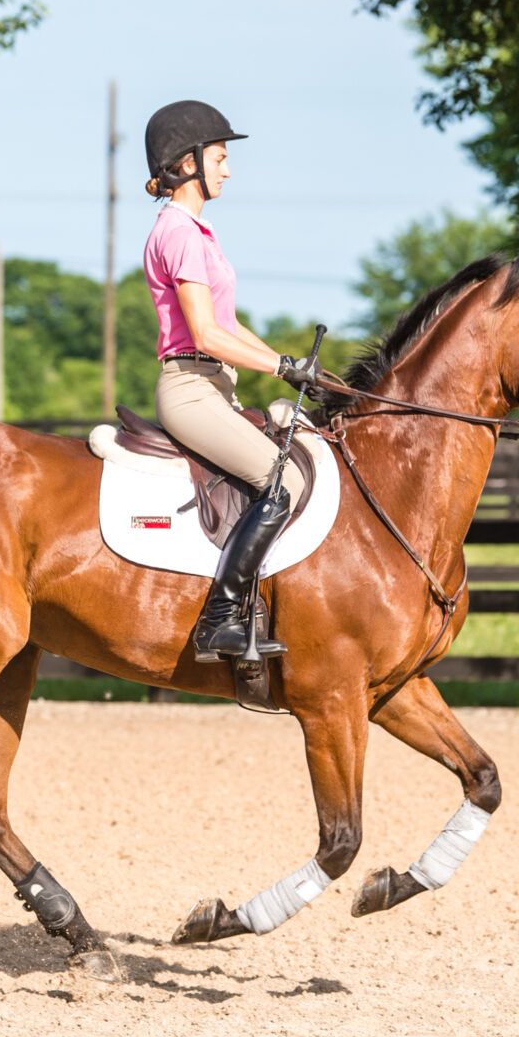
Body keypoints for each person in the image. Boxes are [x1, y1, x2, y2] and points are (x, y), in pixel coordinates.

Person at [141, 100, 318, 663]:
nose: (227, 168)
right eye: (219, 157)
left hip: (216, 386)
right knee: (282, 480)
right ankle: (220, 620)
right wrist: (281, 369)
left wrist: (293, 368)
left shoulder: (198, 230)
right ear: (187, 163)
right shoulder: (179, 232)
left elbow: (231, 325)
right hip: (191, 387)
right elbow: (206, 334)